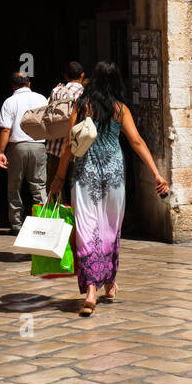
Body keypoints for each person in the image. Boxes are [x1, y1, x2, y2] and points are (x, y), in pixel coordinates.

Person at [49, 60, 169, 316]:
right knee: (109, 229)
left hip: (86, 174)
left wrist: (59, 177)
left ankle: (92, 289)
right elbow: (136, 142)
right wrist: (157, 174)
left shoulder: (82, 107)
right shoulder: (120, 109)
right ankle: (110, 283)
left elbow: (70, 145)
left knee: (87, 229)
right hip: (114, 174)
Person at [0, 70, 49, 233]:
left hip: (17, 147)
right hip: (38, 146)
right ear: (29, 83)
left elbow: (6, 129)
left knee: (14, 186)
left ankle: (17, 225)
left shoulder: (10, 102)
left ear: (13, 86)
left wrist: (0, 152)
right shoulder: (41, 98)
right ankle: (43, 222)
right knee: (39, 185)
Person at [44, 61, 85, 204]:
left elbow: (47, 111)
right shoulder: (85, 93)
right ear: (82, 75)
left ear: (65, 76)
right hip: (77, 149)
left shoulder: (56, 91)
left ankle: (56, 222)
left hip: (55, 149)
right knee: (76, 190)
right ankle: (75, 222)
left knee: (54, 189)